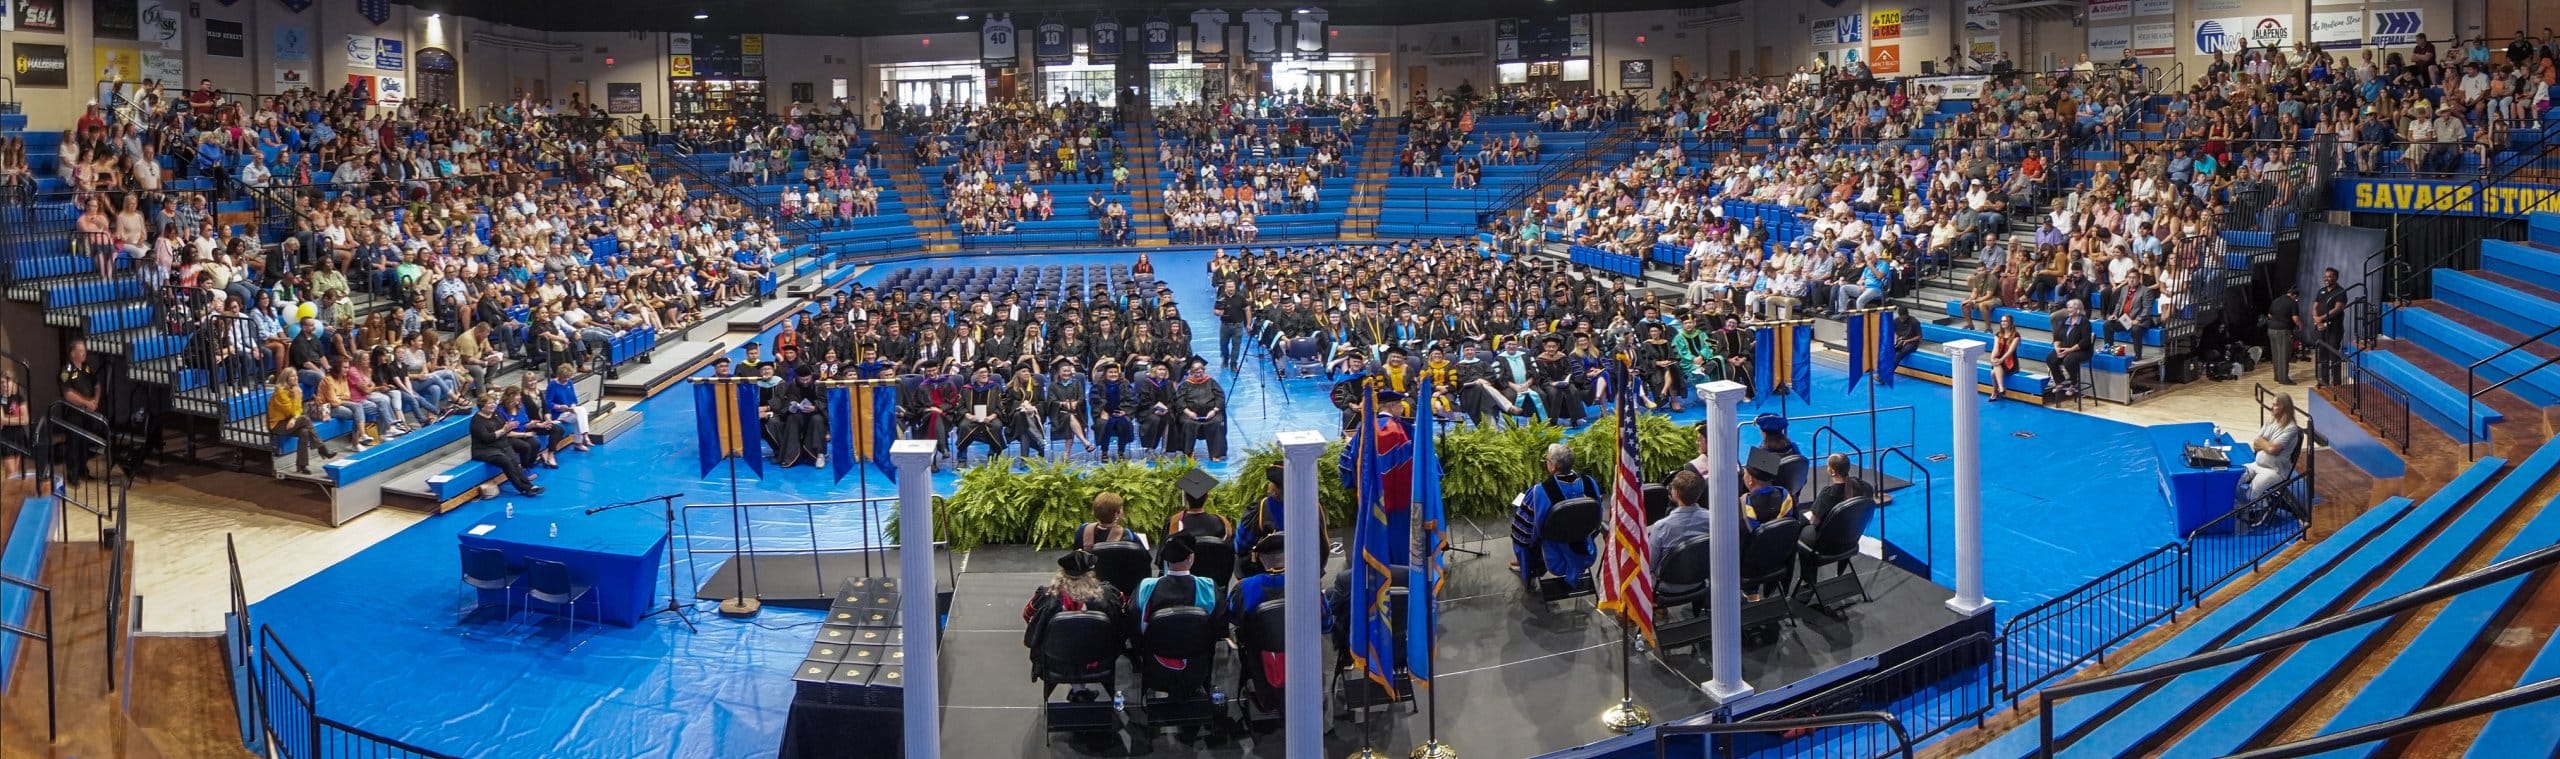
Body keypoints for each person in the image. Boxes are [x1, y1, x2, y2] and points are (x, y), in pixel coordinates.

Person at [1021, 551, 1132, 678]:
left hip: (1055, 661)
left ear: (1061, 574)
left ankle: (1077, 689)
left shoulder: (1045, 597)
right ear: (1090, 574)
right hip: (1100, 659)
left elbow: (1028, 616)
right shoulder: (1108, 595)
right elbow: (1123, 617)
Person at [1510, 444, 1599, 582]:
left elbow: (1523, 533)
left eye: (1547, 459)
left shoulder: (1538, 491)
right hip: (1586, 548)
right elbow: (1597, 517)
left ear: (1553, 467)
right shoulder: (1589, 483)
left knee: (1521, 535)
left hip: (1553, 553)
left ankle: (1529, 567)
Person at [1133, 536, 1219, 630]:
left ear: (1166, 560)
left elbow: (1133, 618)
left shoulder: (1146, 586)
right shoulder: (1208, 586)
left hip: (1156, 643)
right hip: (1199, 643)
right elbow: (1219, 622)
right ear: (1190, 558)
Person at [266, 366, 336, 475]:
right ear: (286, 379)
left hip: (290, 421)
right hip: (277, 424)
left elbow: (298, 409)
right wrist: (297, 396)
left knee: (304, 431)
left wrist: (294, 418)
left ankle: (302, 465)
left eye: (296, 376)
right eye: (292, 376)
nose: (296, 378)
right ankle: (321, 448)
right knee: (305, 419)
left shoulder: (296, 389)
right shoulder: (280, 392)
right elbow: (289, 410)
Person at [468, 392, 541, 496]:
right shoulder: (477, 422)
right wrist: (504, 430)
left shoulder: (496, 414)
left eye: (493, 402)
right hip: (485, 449)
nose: (493, 405)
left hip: (501, 445)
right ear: (482, 406)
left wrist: (509, 427)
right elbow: (488, 438)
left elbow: (504, 426)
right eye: (489, 403)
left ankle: (530, 486)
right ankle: (524, 489)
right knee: (506, 462)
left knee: (515, 462)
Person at [2239, 393, 2305, 506]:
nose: (2271, 407)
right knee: (2233, 481)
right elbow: (2255, 444)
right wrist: (2266, 444)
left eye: (2275, 405)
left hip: (2274, 471)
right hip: (2257, 464)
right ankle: (2248, 507)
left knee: (2251, 494)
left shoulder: (2290, 429)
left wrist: (2264, 443)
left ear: (2284, 407)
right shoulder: (2270, 421)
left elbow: (2273, 449)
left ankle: (2263, 507)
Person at [1647, 470, 1712, 567]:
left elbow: (1650, 564)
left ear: (1675, 493)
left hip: (1668, 580)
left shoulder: (1661, 527)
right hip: (1702, 576)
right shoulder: (1712, 519)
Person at [766, 367, 829, 467]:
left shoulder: (819, 385)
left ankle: (819, 455)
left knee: (817, 419)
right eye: (802, 380)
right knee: (792, 418)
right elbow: (788, 401)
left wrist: (815, 407)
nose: (804, 382)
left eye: (807, 379)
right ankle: (790, 455)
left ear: (811, 377)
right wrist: (791, 408)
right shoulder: (793, 386)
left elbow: (826, 402)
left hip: (817, 413)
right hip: (800, 413)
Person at [1172, 358, 1228, 460]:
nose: (1199, 375)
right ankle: (1189, 453)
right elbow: (1179, 400)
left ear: (1204, 371)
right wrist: (1188, 412)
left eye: (1200, 372)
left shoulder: (1211, 382)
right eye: (1196, 372)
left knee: (1217, 422)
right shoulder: (1185, 384)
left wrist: (1214, 410)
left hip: (1211, 414)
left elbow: (1220, 397)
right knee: (1187, 423)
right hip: (1190, 415)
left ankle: (1216, 454)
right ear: (1191, 373)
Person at [1805, 453, 1872, 525]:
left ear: (1832, 472)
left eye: (1828, 466)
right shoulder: (1863, 486)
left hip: (1831, 533)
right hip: (1853, 530)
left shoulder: (1828, 494)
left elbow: (1814, 521)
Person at [1166, 470, 1232, 541]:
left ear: (1185, 498)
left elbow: (1165, 549)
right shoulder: (1222, 523)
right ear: (1207, 497)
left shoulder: (1174, 524)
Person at [1073, 492, 1148, 551]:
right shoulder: (1128, 535)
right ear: (1117, 514)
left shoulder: (1083, 529)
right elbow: (1144, 561)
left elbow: (1076, 554)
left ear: (1094, 511)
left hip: (1088, 570)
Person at [2048, 299, 2094, 396]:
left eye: (2070, 308)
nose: (2068, 310)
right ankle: (2060, 381)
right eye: (2068, 308)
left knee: (2069, 360)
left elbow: (2085, 341)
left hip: (2082, 350)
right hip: (2066, 348)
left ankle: (2074, 383)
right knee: (2051, 358)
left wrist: (2070, 350)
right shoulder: (2066, 320)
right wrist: (2057, 348)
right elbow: (2057, 336)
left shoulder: (2084, 322)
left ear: (2078, 310)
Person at [2313, 268, 2348, 386]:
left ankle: (2337, 382)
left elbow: (2337, 309)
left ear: (2335, 278)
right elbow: (2315, 306)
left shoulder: (2340, 292)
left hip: (2334, 329)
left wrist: (2321, 318)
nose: (2326, 278)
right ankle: (2324, 381)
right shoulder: (2321, 291)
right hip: (2321, 328)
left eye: (2329, 276)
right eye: (2325, 276)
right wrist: (2317, 321)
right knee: (2322, 355)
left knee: (2334, 356)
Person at [2266, 285, 2299, 385]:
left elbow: (2269, 315)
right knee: (2284, 354)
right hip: (2283, 331)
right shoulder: (2292, 302)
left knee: (2276, 354)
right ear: (2294, 295)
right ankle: (2284, 378)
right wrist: (2301, 325)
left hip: (2271, 329)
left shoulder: (2276, 300)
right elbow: (2295, 318)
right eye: (2297, 297)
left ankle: (2277, 377)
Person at [1989, 315, 2023, 401]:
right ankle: (2001, 389)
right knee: (1994, 369)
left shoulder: (2016, 335)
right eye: (2002, 321)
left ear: (2010, 323)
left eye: (2005, 321)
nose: (2003, 323)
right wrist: (1992, 358)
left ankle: (1996, 391)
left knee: (1993, 373)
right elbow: (1995, 349)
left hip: (2010, 361)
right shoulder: (1998, 335)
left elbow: (2010, 351)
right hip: (1999, 361)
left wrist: (2000, 360)